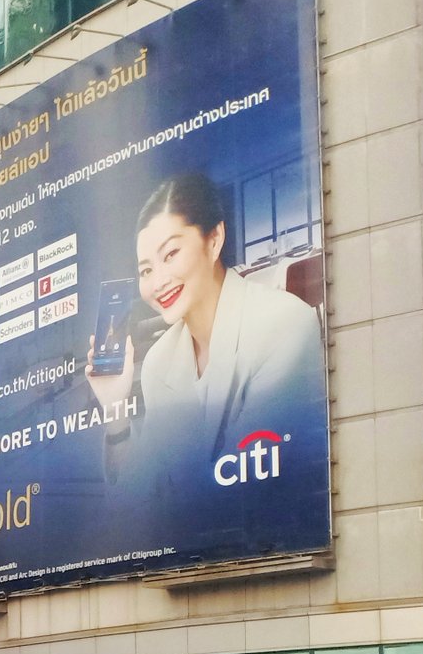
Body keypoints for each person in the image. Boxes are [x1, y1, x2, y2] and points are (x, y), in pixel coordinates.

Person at [81, 172, 328, 526]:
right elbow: (134, 508)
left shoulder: (284, 324)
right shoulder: (159, 362)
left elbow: (256, 487)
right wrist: (115, 408)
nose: (158, 281)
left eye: (171, 254)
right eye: (146, 270)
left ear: (214, 240)